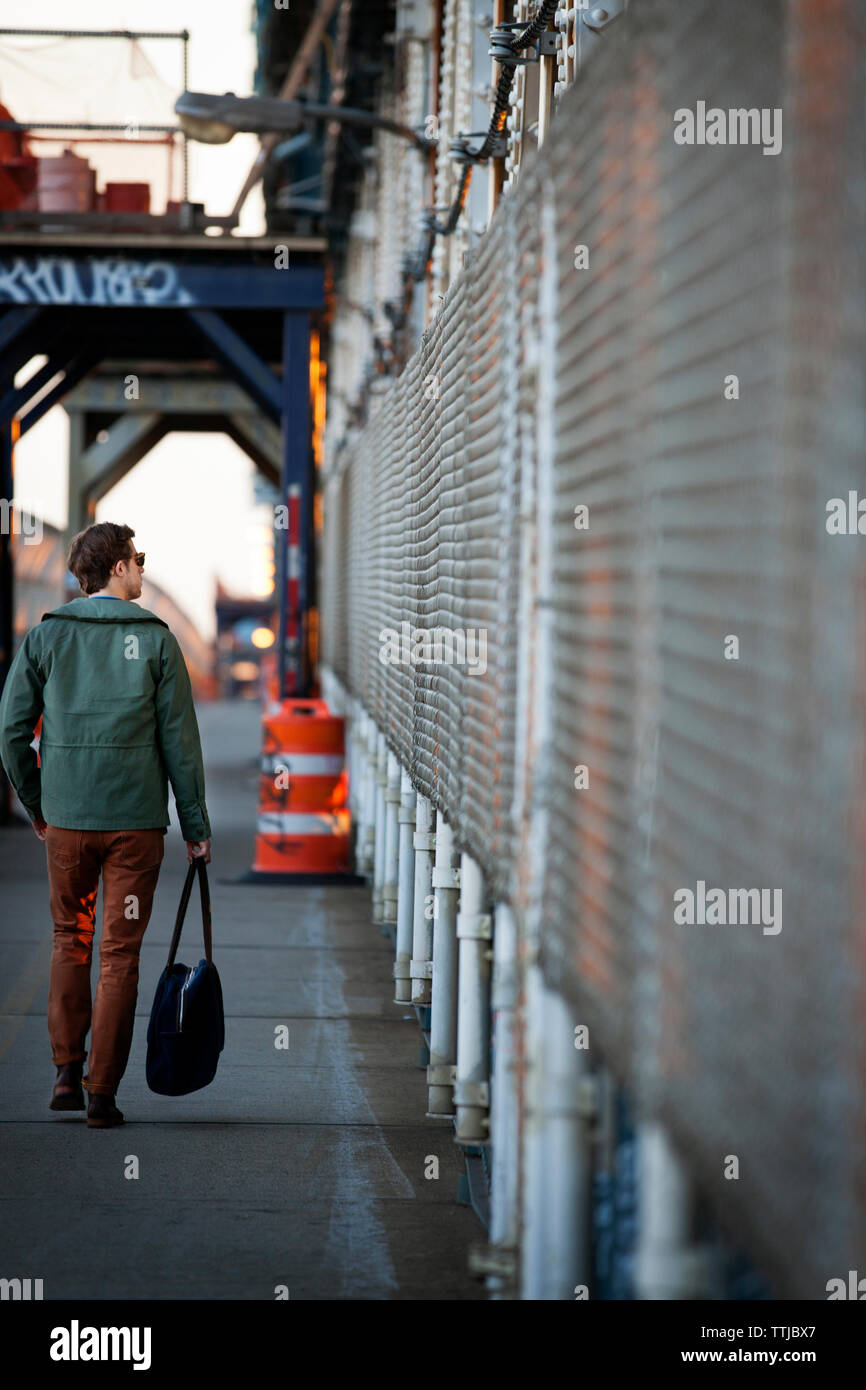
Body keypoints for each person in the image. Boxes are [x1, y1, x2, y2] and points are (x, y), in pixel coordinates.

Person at [0, 522, 211, 1128]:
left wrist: (39, 805)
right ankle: (101, 1093)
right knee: (119, 955)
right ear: (118, 568)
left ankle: (66, 1070)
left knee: (71, 937)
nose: (143, 568)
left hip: (67, 822)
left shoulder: (48, 637)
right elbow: (181, 745)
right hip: (135, 829)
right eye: (137, 559)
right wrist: (195, 824)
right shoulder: (158, 642)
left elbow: (12, 733)